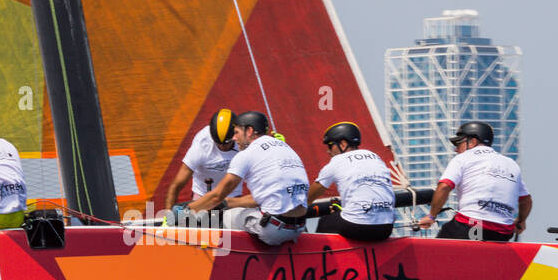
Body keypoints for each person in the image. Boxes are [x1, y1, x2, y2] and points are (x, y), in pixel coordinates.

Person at [186, 110, 308, 246]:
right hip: (300, 228)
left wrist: (185, 212)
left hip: (273, 231)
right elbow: (260, 197)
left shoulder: (246, 154)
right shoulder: (286, 147)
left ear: (249, 131)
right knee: (248, 210)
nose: (234, 138)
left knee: (219, 217)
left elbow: (216, 196)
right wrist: (226, 203)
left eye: (236, 132)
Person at [415, 121, 531, 241]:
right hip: (503, 232)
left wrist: (431, 216)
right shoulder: (510, 163)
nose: (456, 149)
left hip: (473, 226)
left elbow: (444, 187)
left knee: (437, 253)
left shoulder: (463, 158)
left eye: (458, 143)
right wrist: (521, 221)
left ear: (472, 142)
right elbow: (526, 200)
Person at [306, 121, 397, 241]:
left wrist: (292, 211)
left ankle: (321, 259)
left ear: (343, 144)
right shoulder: (374, 156)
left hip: (358, 227)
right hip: (386, 228)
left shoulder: (337, 161)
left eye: (330, 145)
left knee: (325, 221)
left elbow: (309, 197)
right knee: (344, 217)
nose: (328, 151)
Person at [164, 108, 255, 224]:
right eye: (219, 144)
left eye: (227, 144)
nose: (223, 148)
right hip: (203, 197)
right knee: (196, 232)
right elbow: (176, 185)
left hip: (232, 197)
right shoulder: (202, 145)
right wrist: (168, 217)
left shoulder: (244, 140)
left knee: (231, 235)